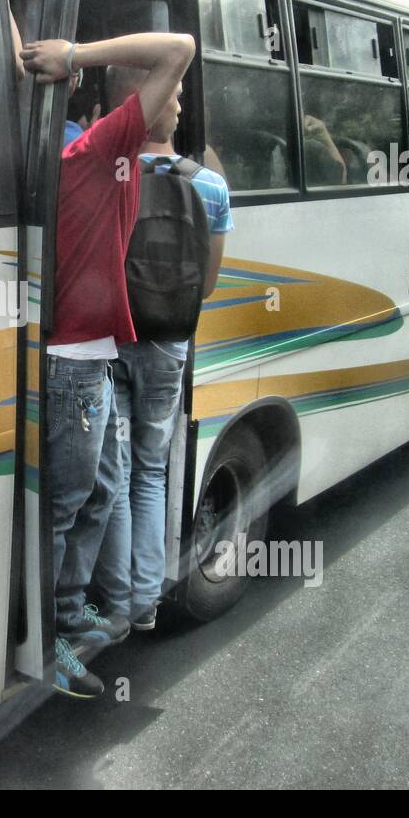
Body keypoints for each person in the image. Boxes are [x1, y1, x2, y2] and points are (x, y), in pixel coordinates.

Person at [20, 29, 197, 699]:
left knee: (102, 491)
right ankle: (53, 642)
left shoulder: (91, 149)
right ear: (138, 104)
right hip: (76, 369)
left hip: (90, 361)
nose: (179, 102)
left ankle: (69, 610)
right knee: (69, 505)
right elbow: (177, 45)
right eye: (170, 95)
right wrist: (75, 56)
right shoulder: (103, 149)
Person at [90, 65, 233, 634]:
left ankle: (117, 600)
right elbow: (208, 286)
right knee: (151, 471)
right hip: (169, 345)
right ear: (159, 107)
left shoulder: (106, 169)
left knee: (119, 473)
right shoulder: (210, 185)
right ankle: (147, 601)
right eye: (175, 96)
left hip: (114, 335)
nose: (181, 104)